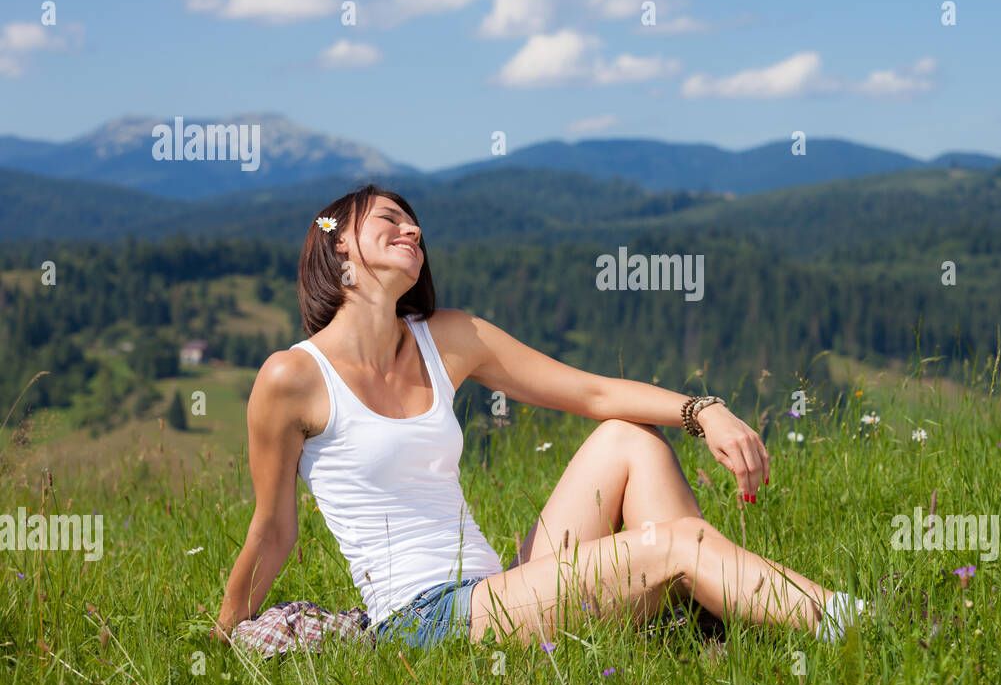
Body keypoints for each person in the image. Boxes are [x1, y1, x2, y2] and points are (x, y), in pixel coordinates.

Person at [210, 184, 870, 651]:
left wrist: (704, 410)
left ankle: (700, 621)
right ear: (340, 252)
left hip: (499, 588)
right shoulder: (291, 378)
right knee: (671, 543)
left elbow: (593, 395)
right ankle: (856, 626)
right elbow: (272, 532)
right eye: (388, 220)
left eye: (414, 223)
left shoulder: (448, 335)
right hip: (423, 620)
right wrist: (225, 635)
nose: (412, 229)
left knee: (625, 440)